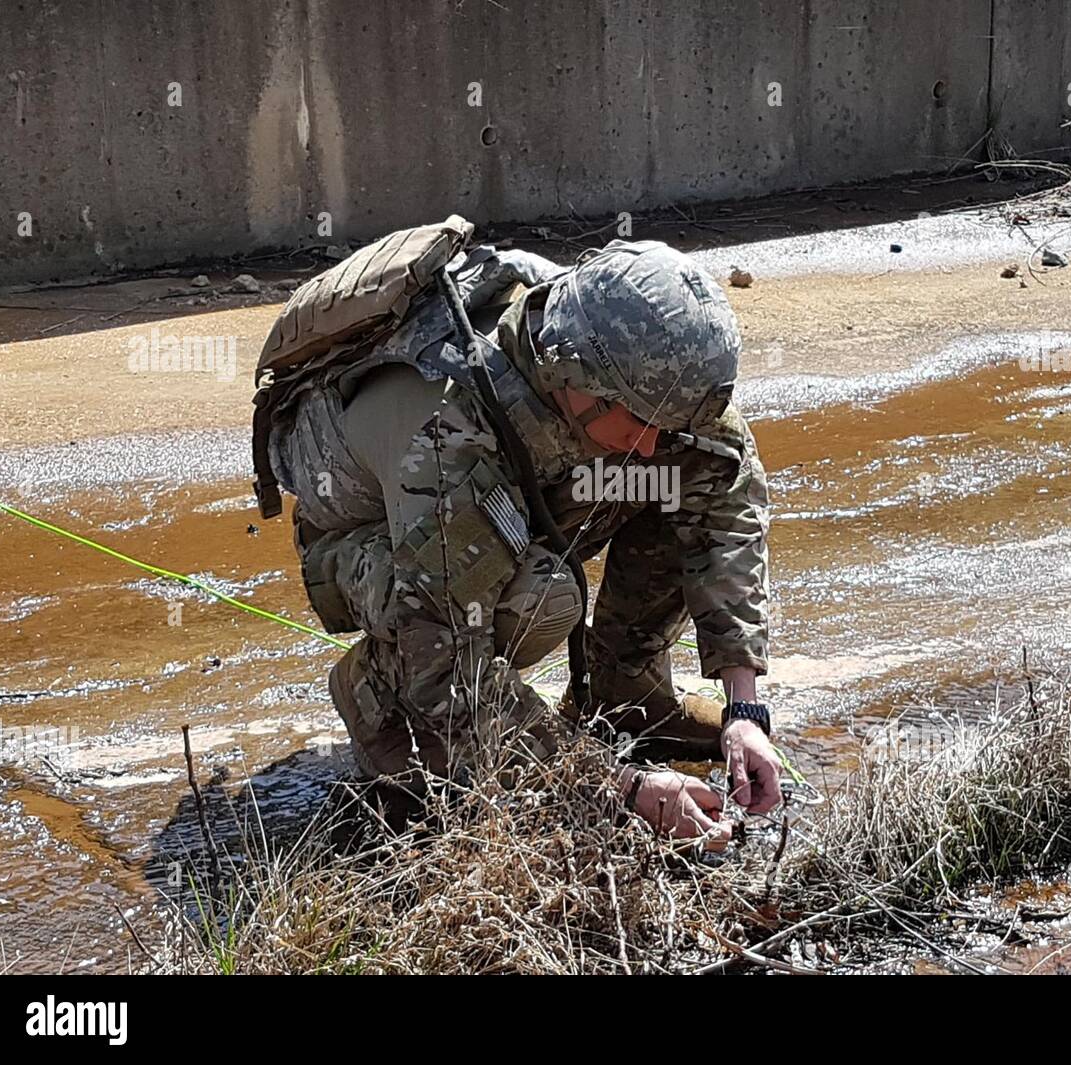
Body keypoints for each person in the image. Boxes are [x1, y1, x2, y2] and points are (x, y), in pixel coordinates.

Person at [267, 236, 777, 843]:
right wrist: (618, 787)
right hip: (373, 536)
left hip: (511, 482)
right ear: (576, 377)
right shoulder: (450, 440)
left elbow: (725, 490)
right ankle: (375, 693)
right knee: (539, 598)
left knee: (682, 467)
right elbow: (450, 669)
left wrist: (744, 710)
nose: (649, 445)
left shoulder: (639, 371)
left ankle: (625, 689)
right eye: (639, 424)